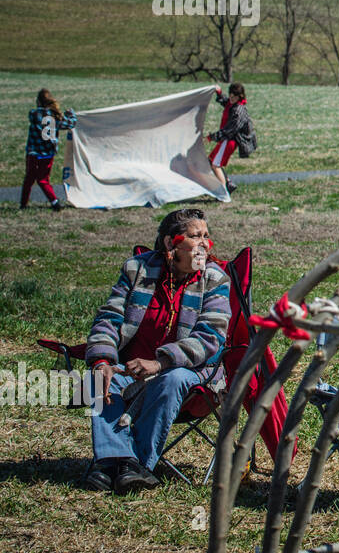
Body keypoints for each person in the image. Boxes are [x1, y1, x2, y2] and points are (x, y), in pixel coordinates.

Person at [83, 208, 231, 493]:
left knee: (171, 379)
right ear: (170, 243)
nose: (205, 244)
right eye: (195, 236)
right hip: (131, 370)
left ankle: (129, 466)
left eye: (207, 237)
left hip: (192, 372)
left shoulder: (214, 278)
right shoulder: (137, 269)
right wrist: (101, 359)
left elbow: (211, 337)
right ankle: (119, 462)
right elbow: (108, 318)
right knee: (95, 379)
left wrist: (161, 362)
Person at [22, 89, 76, 211]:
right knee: (43, 179)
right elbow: (71, 124)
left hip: (34, 152)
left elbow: (34, 118)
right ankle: (55, 202)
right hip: (47, 154)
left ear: (39, 101)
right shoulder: (55, 116)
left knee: (29, 179)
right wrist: (71, 114)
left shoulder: (33, 114)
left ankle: (23, 203)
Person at [207, 83, 253, 194]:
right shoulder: (232, 104)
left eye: (234, 97)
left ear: (240, 97)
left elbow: (230, 131)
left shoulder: (239, 111)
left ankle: (223, 193)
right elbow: (225, 101)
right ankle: (228, 183)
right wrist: (218, 93)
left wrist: (212, 137)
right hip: (225, 140)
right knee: (211, 160)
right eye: (230, 96)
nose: (231, 99)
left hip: (230, 141)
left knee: (215, 165)